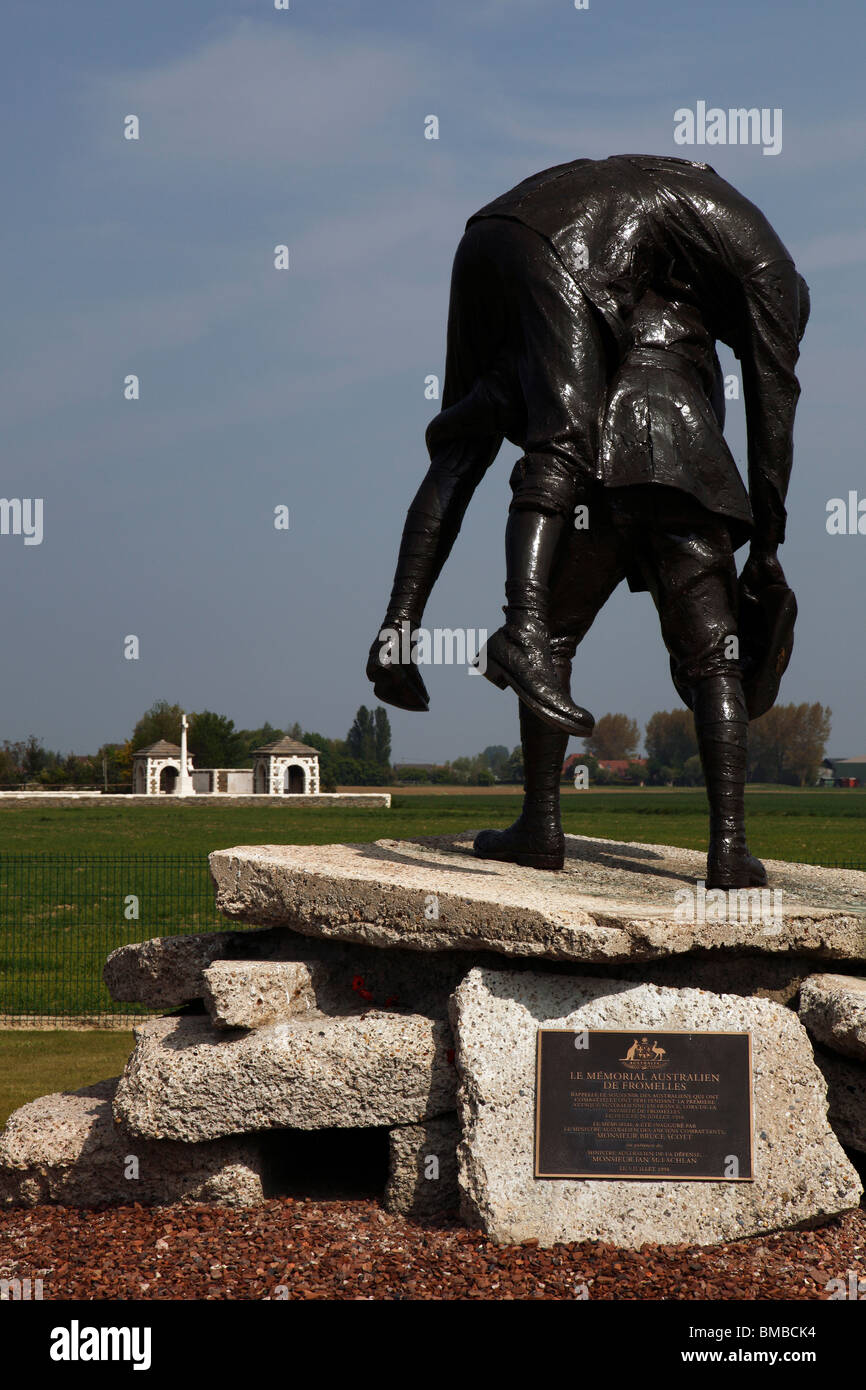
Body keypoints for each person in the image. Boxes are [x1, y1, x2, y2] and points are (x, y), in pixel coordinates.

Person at [473, 284, 808, 888]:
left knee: (547, 643)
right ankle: (729, 848)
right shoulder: (701, 290)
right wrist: (766, 543)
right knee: (717, 664)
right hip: (690, 468)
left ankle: (541, 826)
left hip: (601, 465)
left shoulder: (596, 271)